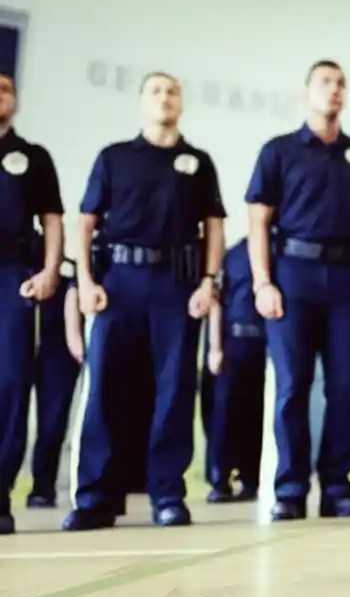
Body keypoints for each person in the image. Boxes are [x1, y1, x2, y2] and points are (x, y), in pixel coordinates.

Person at [64, 71, 225, 531]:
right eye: (155, 90)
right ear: (141, 103)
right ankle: (95, 496)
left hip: (176, 286)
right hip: (118, 285)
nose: (165, 97)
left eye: (173, 90)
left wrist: (208, 282)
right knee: (106, 390)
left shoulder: (198, 161)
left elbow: (213, 225)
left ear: (181, 103)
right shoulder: (114, 158)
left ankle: (168, 495)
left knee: (175, 391)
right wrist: (87, 281)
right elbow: (86, 221)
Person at [246, 59, 350, 521]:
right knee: (292, 386)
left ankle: (338, 485)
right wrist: (263, 282)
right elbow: (258, 220)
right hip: (293, 277)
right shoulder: (278, 151)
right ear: (305, 92)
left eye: (341, 82)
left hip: (347, 280)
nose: (335, 90)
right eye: (325, 82)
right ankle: (289, 487)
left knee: (346, 385)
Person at [0, 70, 65, 535]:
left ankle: (0, 491)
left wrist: (48, 270)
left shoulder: (34, 158)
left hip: (13, 277)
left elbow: (53, 220)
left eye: (6, 88)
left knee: (9, 382)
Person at [201, 238, 266, 503]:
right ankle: (220, 479)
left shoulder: (275, 249)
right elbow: (217, 302)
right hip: (232, 343)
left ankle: (250, 479)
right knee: (223, 415)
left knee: (255, 415)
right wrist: (215, 347)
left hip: (263, 344)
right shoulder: (232, 255)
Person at [27, 258, 84, 508]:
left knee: (53, 417)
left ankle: (43, 484)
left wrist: (79, 350)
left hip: (59, 350)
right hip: (27, 341)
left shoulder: (67, 281)